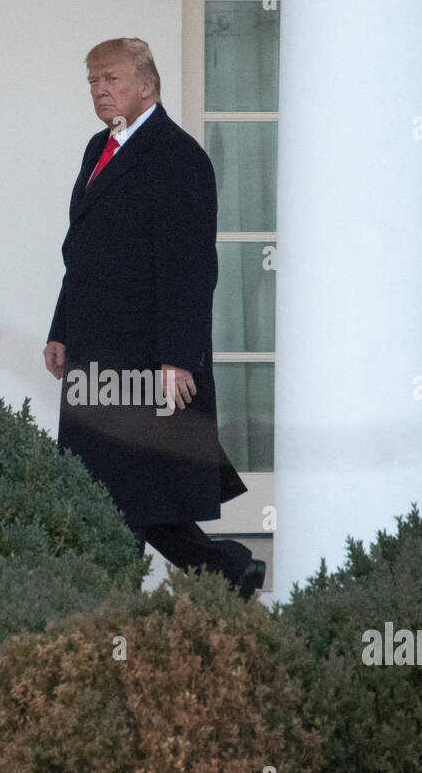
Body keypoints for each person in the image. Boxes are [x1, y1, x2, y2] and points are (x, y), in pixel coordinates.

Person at [43, 37, 266, 600]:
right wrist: (60, 329)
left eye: (111, 79)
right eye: (92, 80)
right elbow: (81, 252)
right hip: (93, 353)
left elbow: (191, 270)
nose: (99, 89)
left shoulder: (179, 158)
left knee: (127, 485)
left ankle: (112, 600)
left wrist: (177, 359)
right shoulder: (99, 148)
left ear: (147, 85)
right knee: (111, 483)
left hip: (145, 357)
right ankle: (226, 571)